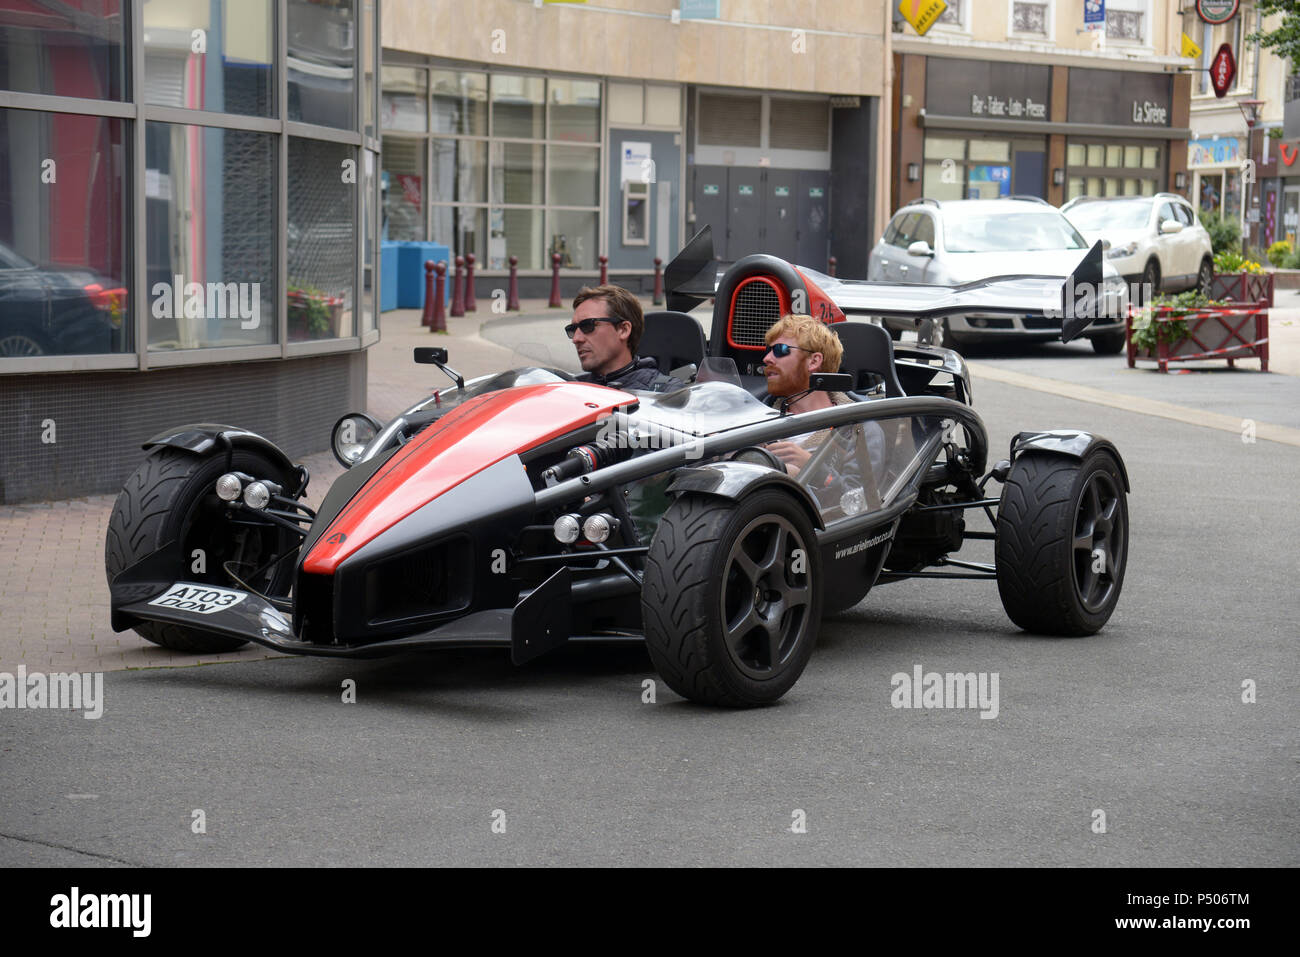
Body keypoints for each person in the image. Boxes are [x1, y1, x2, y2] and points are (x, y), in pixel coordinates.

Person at [566, 285, 680, 392]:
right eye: (573, 329)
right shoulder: (572, 389)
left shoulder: (667, 394)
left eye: (587, 326)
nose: (576, 339)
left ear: (623, 330)